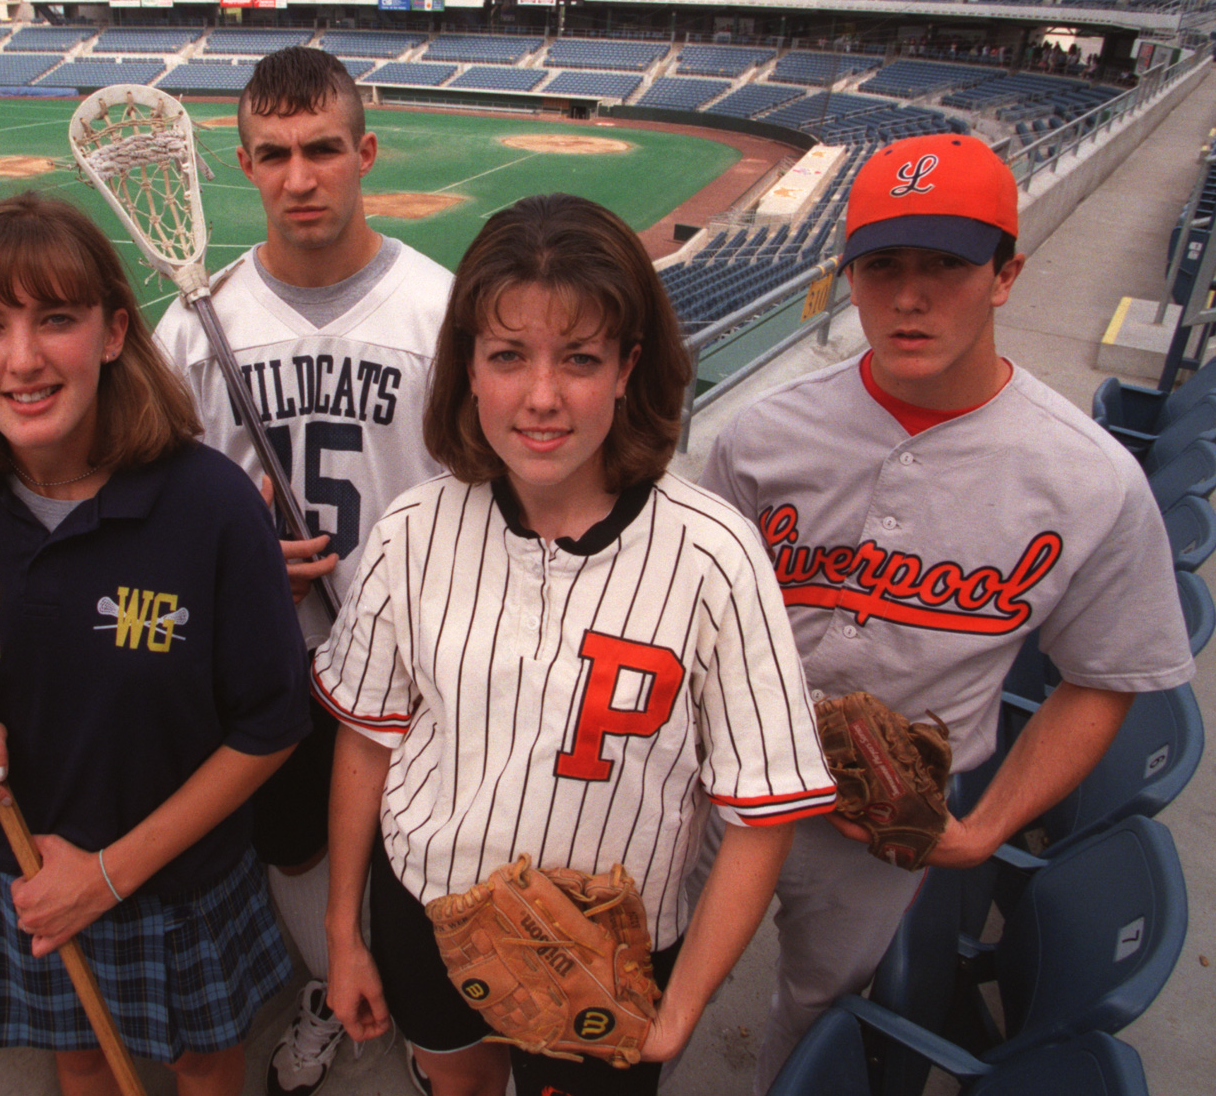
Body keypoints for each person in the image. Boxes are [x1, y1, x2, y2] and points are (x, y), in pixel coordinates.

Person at [696, 133, 1196, 1092]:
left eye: (948, 264)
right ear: (851, 275)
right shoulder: (764, 434)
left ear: (1007, 273)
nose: (911, 295)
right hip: (724, 774)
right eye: (883, 266)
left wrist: (981, 827)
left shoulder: (1091, 480)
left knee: (815, 1008)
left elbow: (1105, 676)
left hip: (878, 825)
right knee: (660, 950)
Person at [314, 194, 837, 1096]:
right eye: (508, 355)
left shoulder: (713, 554)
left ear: (630, 366)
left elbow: (765, 809)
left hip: (609, 952)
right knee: (458, 1084)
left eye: (581, 358)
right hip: (427, 907)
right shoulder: (412, 528)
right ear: (469, 368)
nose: (542, 396)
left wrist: (684, 1003)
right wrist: (343, 932)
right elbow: (369, 738)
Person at [0, 192, 311, 1096]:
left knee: (201, 1060)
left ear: (113, 333)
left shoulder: (213, 505)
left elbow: (272, 722)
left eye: (56, 319)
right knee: (76, 1052)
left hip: (172, 878)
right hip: (15, 869)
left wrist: (107, 873)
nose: (22, 358)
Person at [155, 45, 453, 1096]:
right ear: (242, 164)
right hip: (275, 659)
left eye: (322, 148)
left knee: (420, 845)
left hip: (417, 653)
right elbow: (153, 515)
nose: (300, 177)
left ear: (364, 152)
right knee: (292, 848)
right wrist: (228, 565)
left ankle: (430, 1010)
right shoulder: (195, 330)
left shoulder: (438, 312)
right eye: (274, 154)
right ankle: (334, 983)